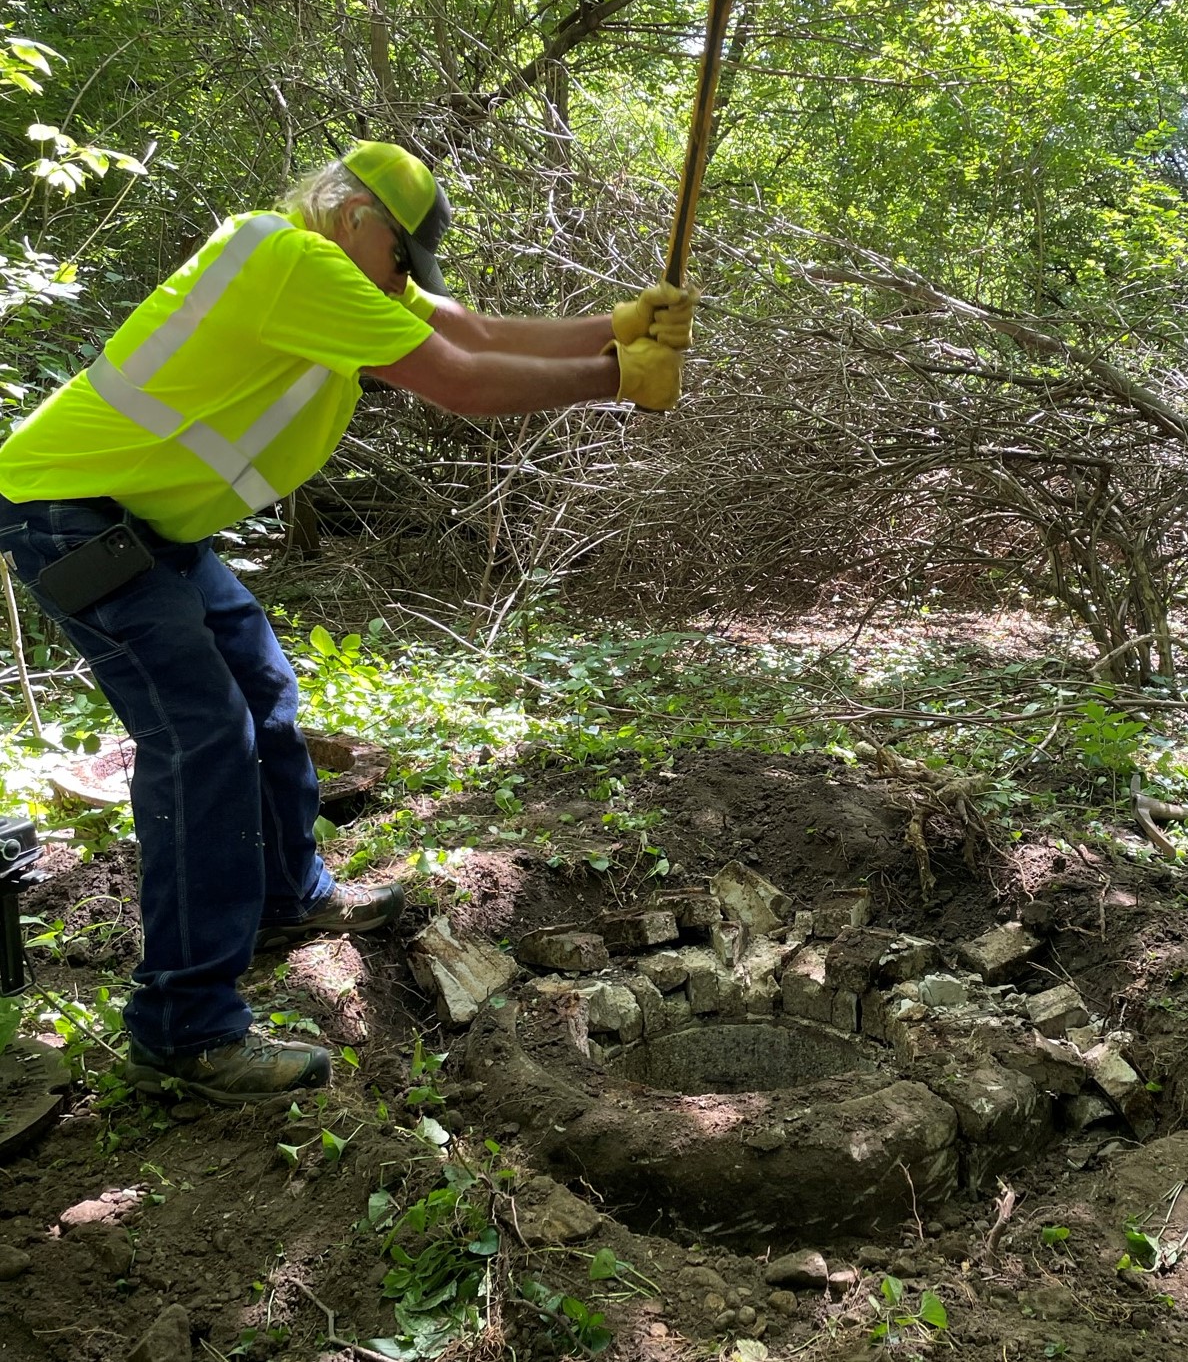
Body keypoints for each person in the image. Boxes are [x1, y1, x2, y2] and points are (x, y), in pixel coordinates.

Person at [0, 140, 695, 1104]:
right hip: (72, 512)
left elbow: (472, 330)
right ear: (356, 214)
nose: (405, 281)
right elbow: (463, 380)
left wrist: (609, 330)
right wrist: (616, 375)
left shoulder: (330, 272)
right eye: (402, 257)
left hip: (146, 522)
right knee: (202, 736)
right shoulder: (288, 258)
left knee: (265, 697)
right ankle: (182, 1028)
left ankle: (290, 897)